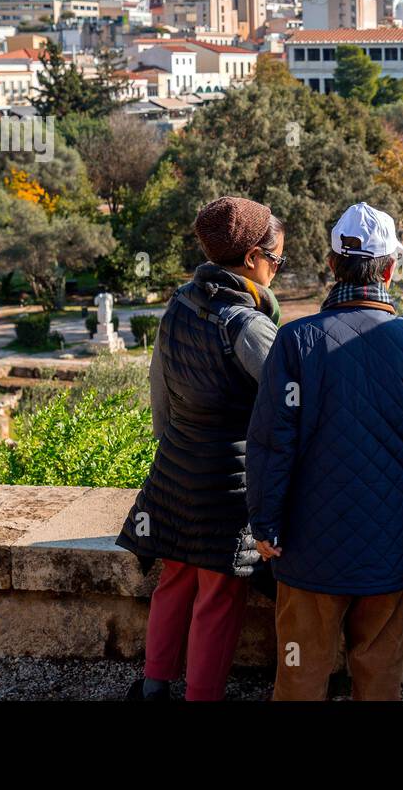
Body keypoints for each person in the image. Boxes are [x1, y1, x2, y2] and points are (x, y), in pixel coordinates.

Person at [246, 202, 403, 701]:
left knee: (300, 671)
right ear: (391, 269)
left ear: (333, 264)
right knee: (379, 670)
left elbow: (272, 442)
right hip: (388, 541)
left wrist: (266, 525)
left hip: (307, 542)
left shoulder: (295, 341)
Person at [117, 196, 286, 702]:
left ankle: (152, 686)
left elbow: (159, 391)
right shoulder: (248, 324)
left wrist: (174, 443)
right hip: (226, 480)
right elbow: (290, 400)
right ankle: (202, 696)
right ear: (253, 258)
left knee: (175, 576)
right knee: (218, 592)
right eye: (276, 260)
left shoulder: (182, 302)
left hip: (175, 468)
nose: (277, 271)